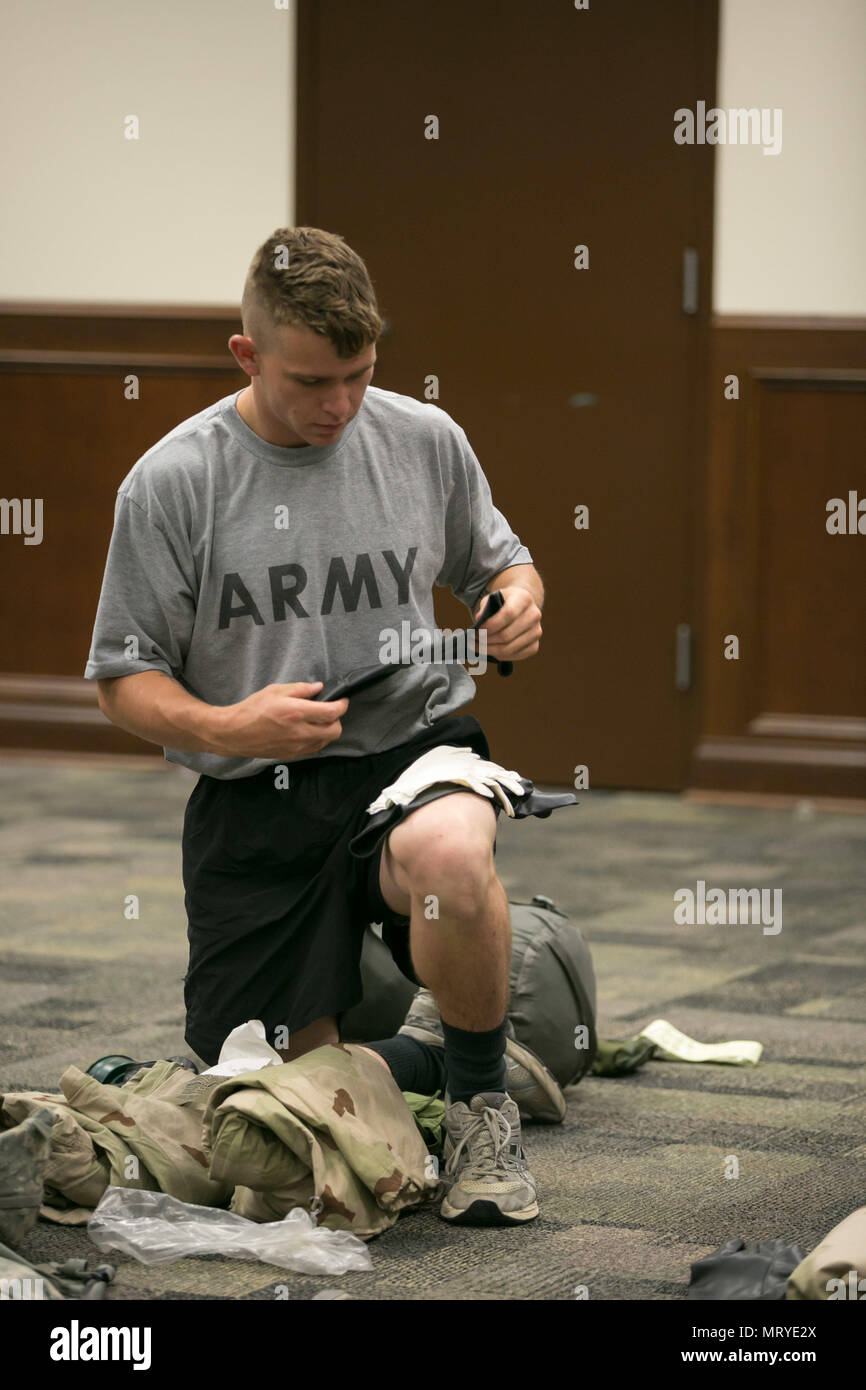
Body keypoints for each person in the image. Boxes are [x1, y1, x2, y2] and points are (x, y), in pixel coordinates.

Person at [85, 226, 548, 1226]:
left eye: (360, 372)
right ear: (246, 357)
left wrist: (515, 597)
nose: (339, 404)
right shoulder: (173, 482)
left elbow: (502, 564)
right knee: (286, 1128)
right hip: (259, 794)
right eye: (311, 381)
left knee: (451, 851)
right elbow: (122, 682)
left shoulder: (424, 438)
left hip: (406, 752)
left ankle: (480, 1105)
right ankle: (445, 1046)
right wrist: (229, 724)